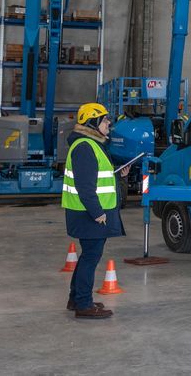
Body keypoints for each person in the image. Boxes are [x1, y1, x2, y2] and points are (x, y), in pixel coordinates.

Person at [62, 102, 126, 319]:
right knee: (91, 257)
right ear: (92, 122)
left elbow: (97, 178)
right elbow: (85, 187)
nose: (109, 123)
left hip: (87, 213)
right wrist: (98, 212)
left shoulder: (91, 144)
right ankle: (83, 305)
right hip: (89, 214)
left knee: (87, 256)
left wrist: (119, 176)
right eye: (105, 120)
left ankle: (76, 299)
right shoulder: (85, 147)